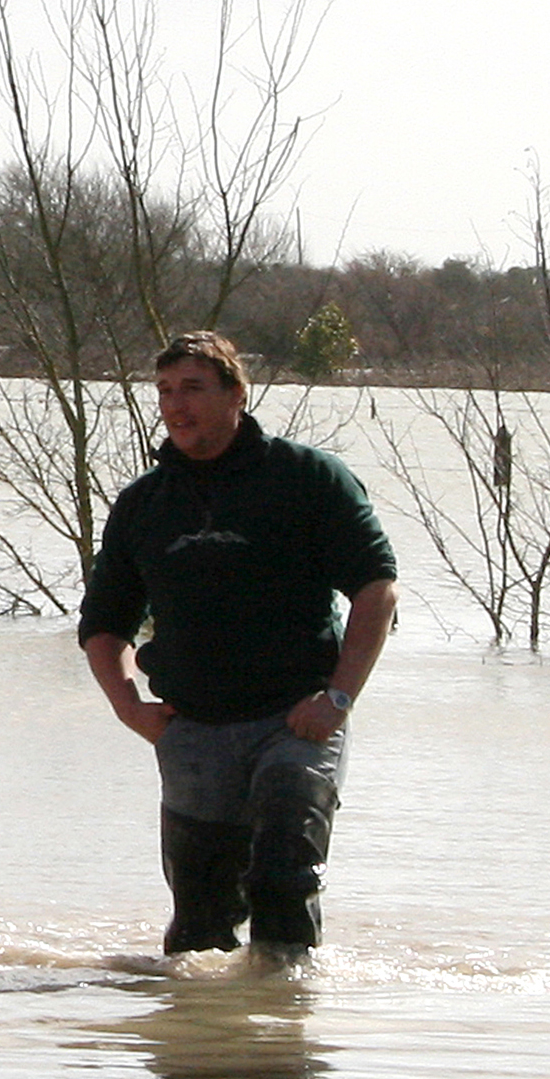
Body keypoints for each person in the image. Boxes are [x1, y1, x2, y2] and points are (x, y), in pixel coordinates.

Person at [78, 331, 398, 960]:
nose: (176, 405)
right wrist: (129, 708)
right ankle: (205, 1044)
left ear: (236, 395)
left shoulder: (306, 477)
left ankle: (283, 1031)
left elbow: (376, 590)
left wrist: (337, 696)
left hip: (296, 720)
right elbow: (103, 625)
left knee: (284, 877)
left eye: (193, 388)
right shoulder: (146, 503)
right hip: (192, 728)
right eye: (165, 392)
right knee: (199, 926)